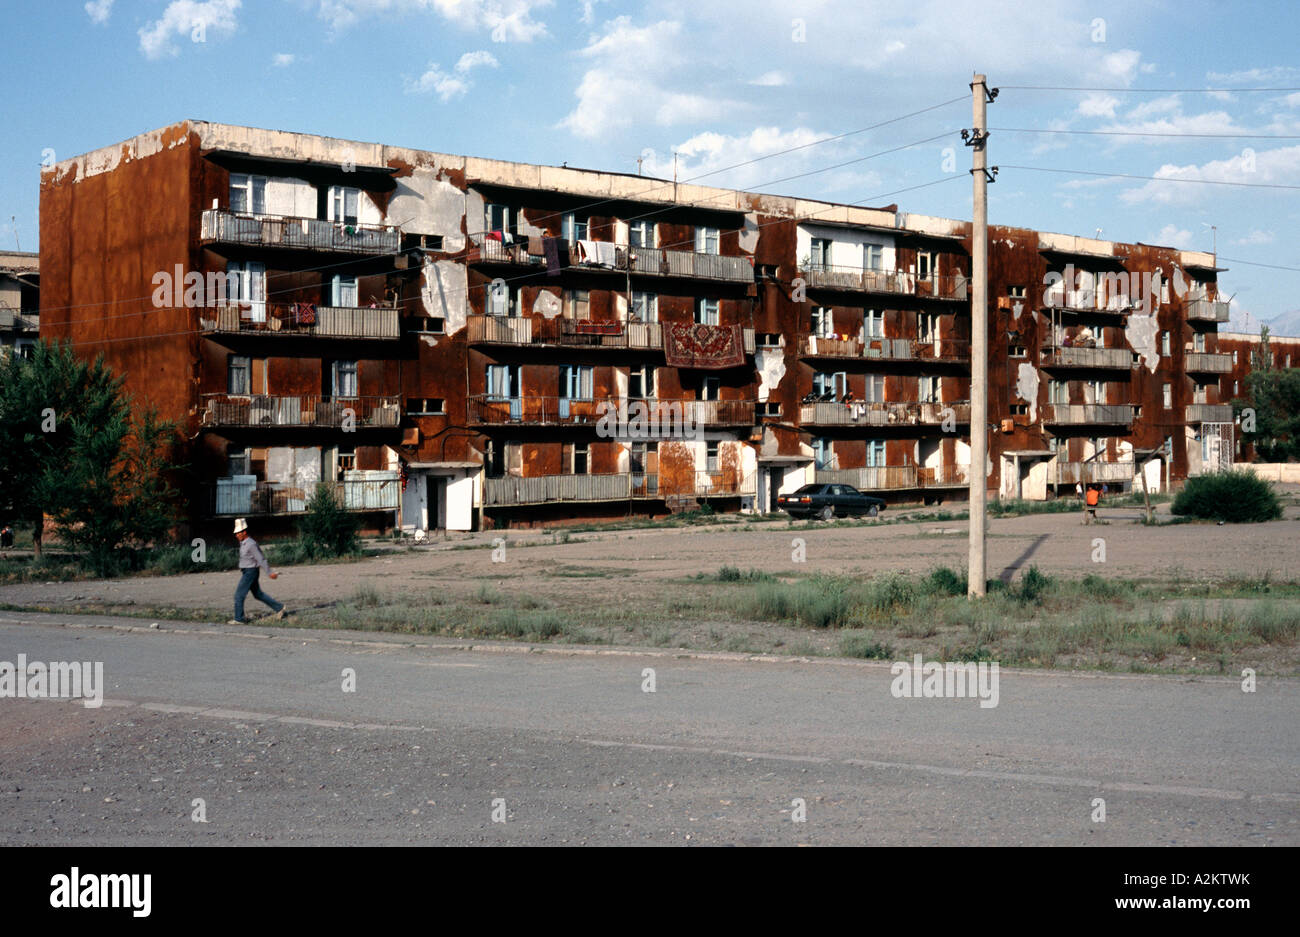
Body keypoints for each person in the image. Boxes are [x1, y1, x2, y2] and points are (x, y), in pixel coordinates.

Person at [228, 518, 286, 624]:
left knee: (239, 595)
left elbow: (261, 559)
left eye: (238, 533)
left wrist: (270, 573)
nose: (236, 535)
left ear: (244, 532)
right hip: (247, 572)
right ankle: (280, 608)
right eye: (236, 533)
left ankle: (239, 618)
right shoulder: (243, 542)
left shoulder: (251, 544)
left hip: (250, 572)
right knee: (258, 594)